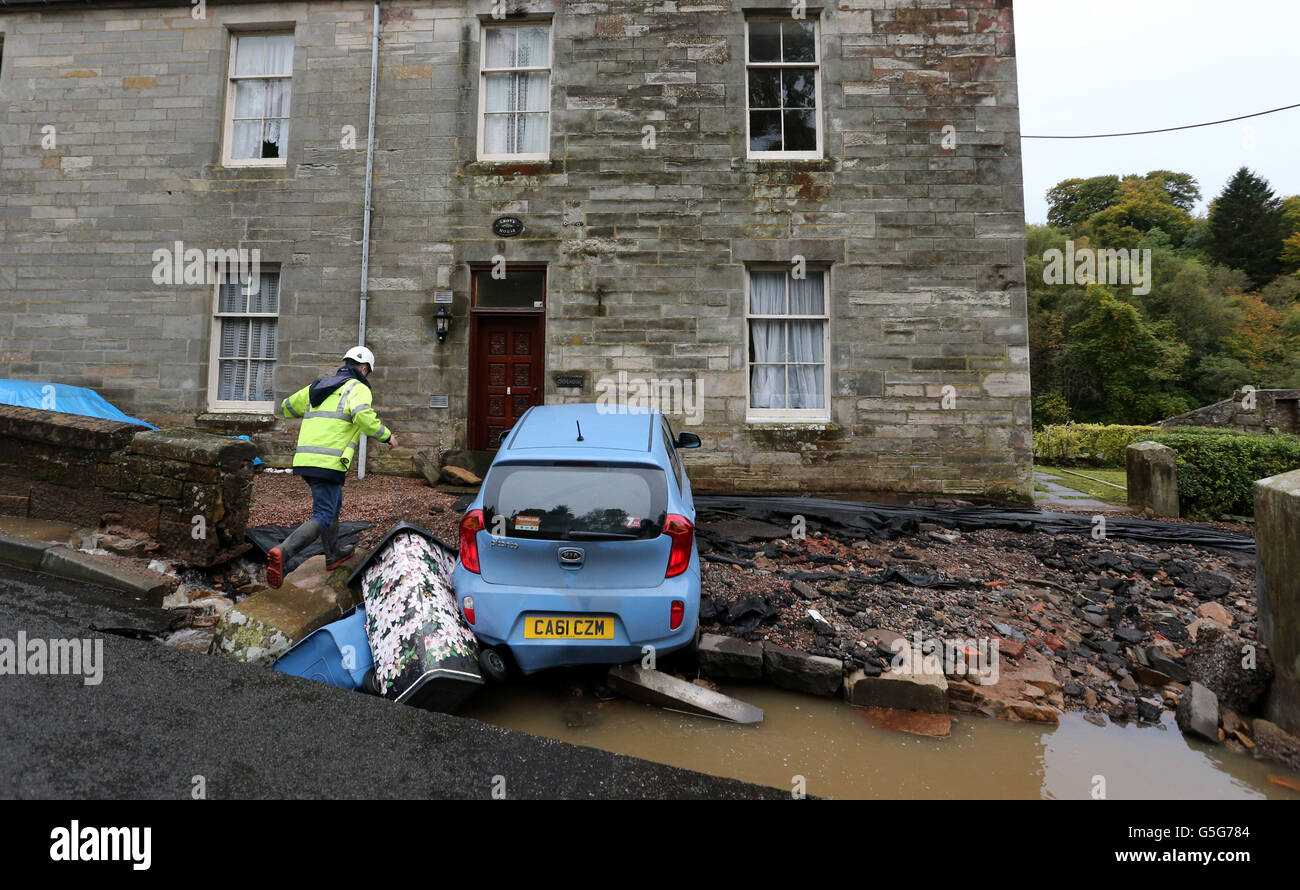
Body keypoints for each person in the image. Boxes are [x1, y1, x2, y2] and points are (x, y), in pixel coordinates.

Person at [267, 346, 397, 588]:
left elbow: (287, 406)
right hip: (328, 461)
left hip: (306, 459)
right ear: (364, 369)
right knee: (324, 514)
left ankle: (333, 554)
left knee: (333, 504)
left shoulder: (319, 385)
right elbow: (362, 416)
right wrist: (387, 436)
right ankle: (283, 552)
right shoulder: (357, 387)